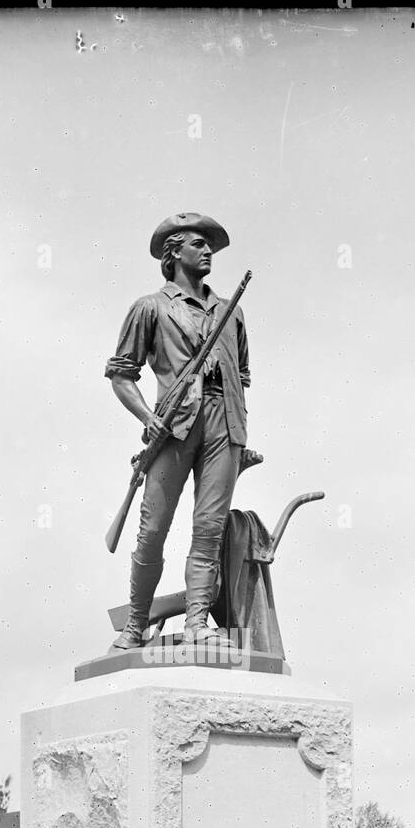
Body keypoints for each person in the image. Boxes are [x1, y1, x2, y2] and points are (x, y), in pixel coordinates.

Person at [104, 212, 260, 650]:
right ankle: (135, 626)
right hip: (173, 427)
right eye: (197, 244)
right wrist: (146, 418)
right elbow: (121, 374)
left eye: (209, 245)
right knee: (152, 531)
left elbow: (241, 375)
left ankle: (197, 624)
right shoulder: (150, 308)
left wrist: (238, 432)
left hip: (224, 428)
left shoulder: (232, 311)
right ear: (174, 254)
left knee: (208, 529)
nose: (208, 251)